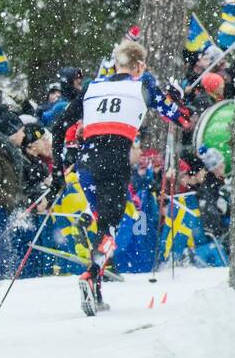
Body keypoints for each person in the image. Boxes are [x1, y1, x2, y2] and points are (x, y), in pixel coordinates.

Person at [76, 38, 189, 315]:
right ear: (139, 66)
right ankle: (91, 275)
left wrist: (59, 169)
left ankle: (96, 287)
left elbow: (62, 123)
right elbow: (178, 117)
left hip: (86, 165)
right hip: (113, 165)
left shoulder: (94, 85)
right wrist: (178, 100)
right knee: (109, 228)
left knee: (104, 226)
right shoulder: (142, 84)